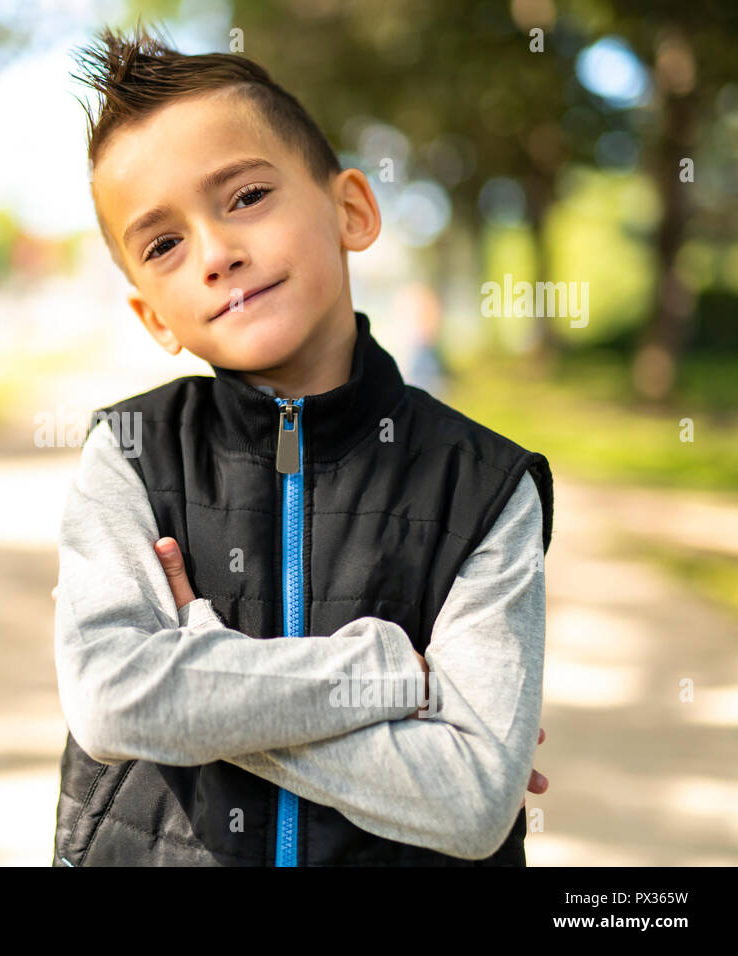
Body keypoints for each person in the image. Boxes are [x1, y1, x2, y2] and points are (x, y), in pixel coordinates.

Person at [51, 24, 553, 866]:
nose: (217, 253)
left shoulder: (484, 487)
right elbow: (109, 702)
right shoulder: (129, 453)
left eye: (246, 196)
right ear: (151, 317)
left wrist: (197, 671)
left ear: (351, 209)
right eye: (164, 244)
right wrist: (390, 677)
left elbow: (472, 800)